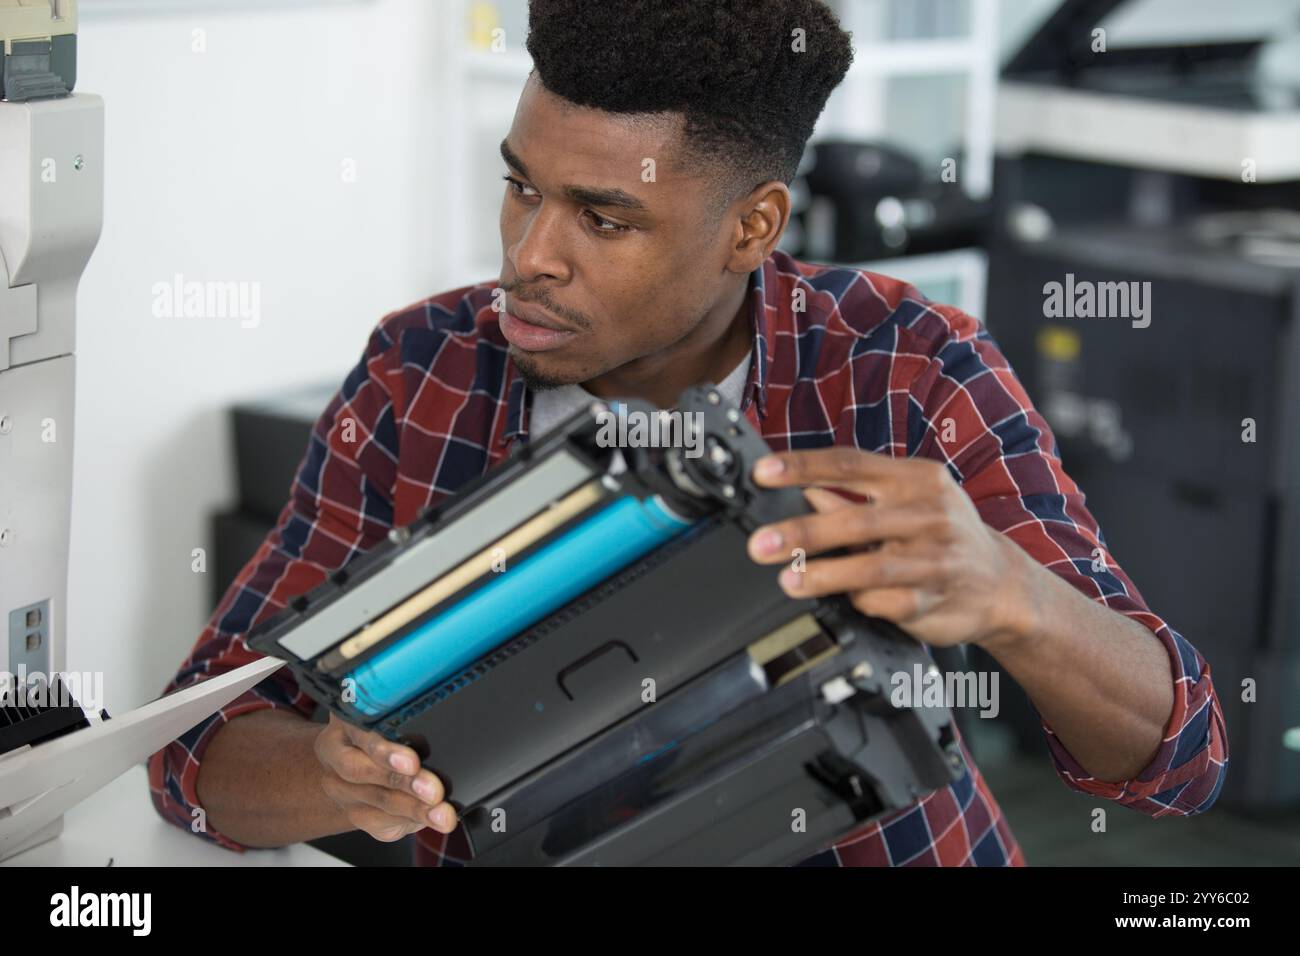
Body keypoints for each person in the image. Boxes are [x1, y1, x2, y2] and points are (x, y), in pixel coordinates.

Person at [148, 0, 1227, 866]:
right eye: (519, 187)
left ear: (752, 225)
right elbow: (195, 746)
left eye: (602, 217)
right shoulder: (421, 372)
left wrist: (1012, 593)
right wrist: (331, 777)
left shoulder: (904, 367)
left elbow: (1179, 754)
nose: (529, 254)